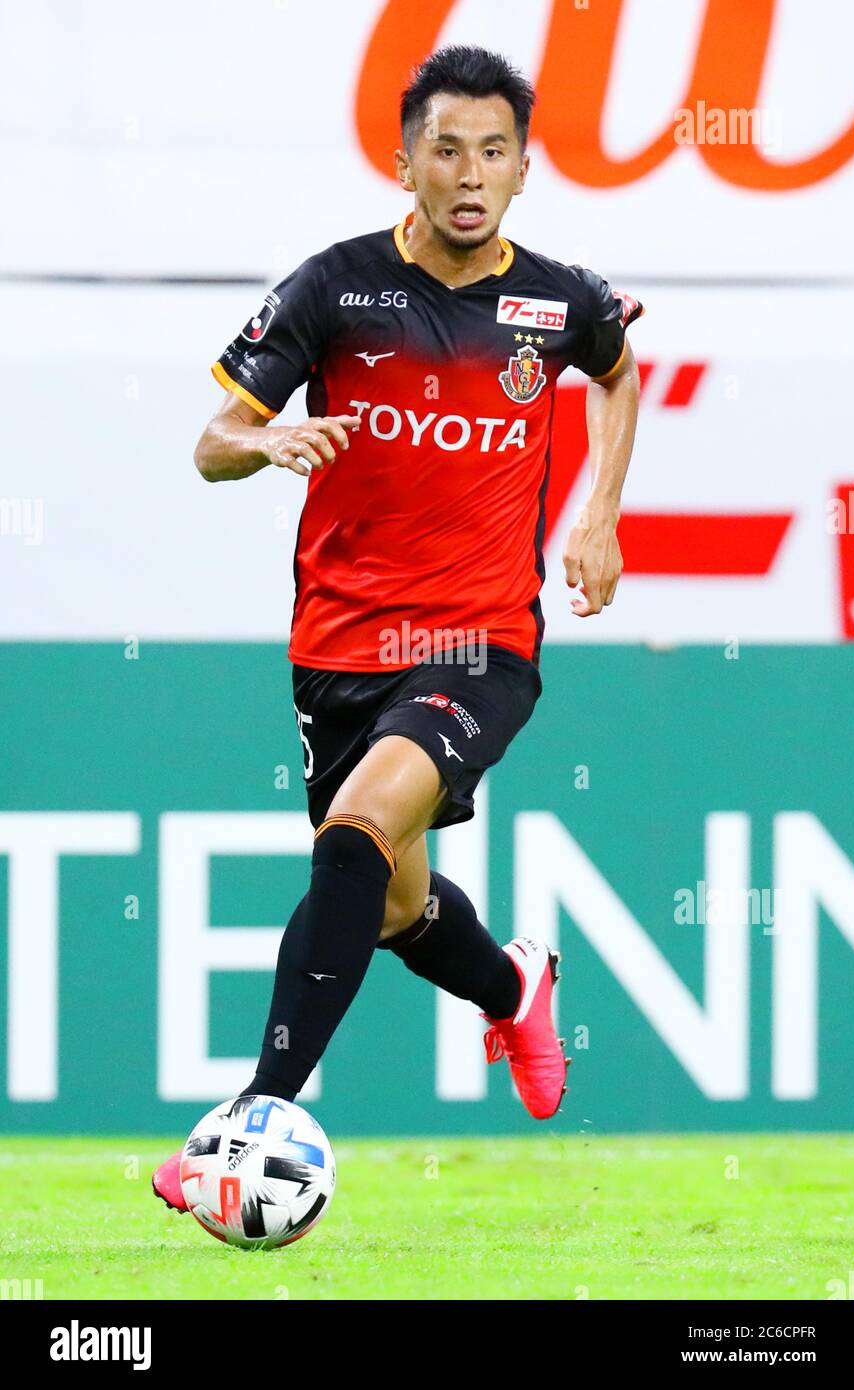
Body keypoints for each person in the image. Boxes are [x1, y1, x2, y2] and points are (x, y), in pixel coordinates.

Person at [153, 43, 642, 1211]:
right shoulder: (333, 288)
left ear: (523, 167)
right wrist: (263, 440)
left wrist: (599, 512)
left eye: (492, 151)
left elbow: (618, 374)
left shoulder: (557, 300)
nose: (468, 173)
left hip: (476, 647)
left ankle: (252, 1113)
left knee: (357, 825)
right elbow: (210, 441)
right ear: (403, 159)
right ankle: (512, 987)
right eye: (445, 149)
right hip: (336, 648)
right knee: (387, 903)